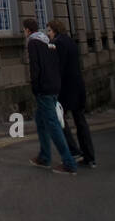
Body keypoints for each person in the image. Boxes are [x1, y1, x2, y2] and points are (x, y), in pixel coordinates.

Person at [23, 18, 78, 174]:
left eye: (24, 30)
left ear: (27, 30)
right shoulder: (48, 42)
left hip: (44, 89)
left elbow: (35, 67)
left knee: (52, 124)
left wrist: (35, 87)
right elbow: (55, 65)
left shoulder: (33, 43)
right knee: (40, 120)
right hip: (54, 86)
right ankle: (44, 156)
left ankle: (69, 162)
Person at [47, 18, 95, 168]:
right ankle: (89, 157)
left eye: (49, 30)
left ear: (55, 30)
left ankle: (74, 150)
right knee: (80, 121)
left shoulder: (57, 43)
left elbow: (57, 68)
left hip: (66, 89)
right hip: (78, 86)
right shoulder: (71, 42)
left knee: (58, 118)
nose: (47, 34)